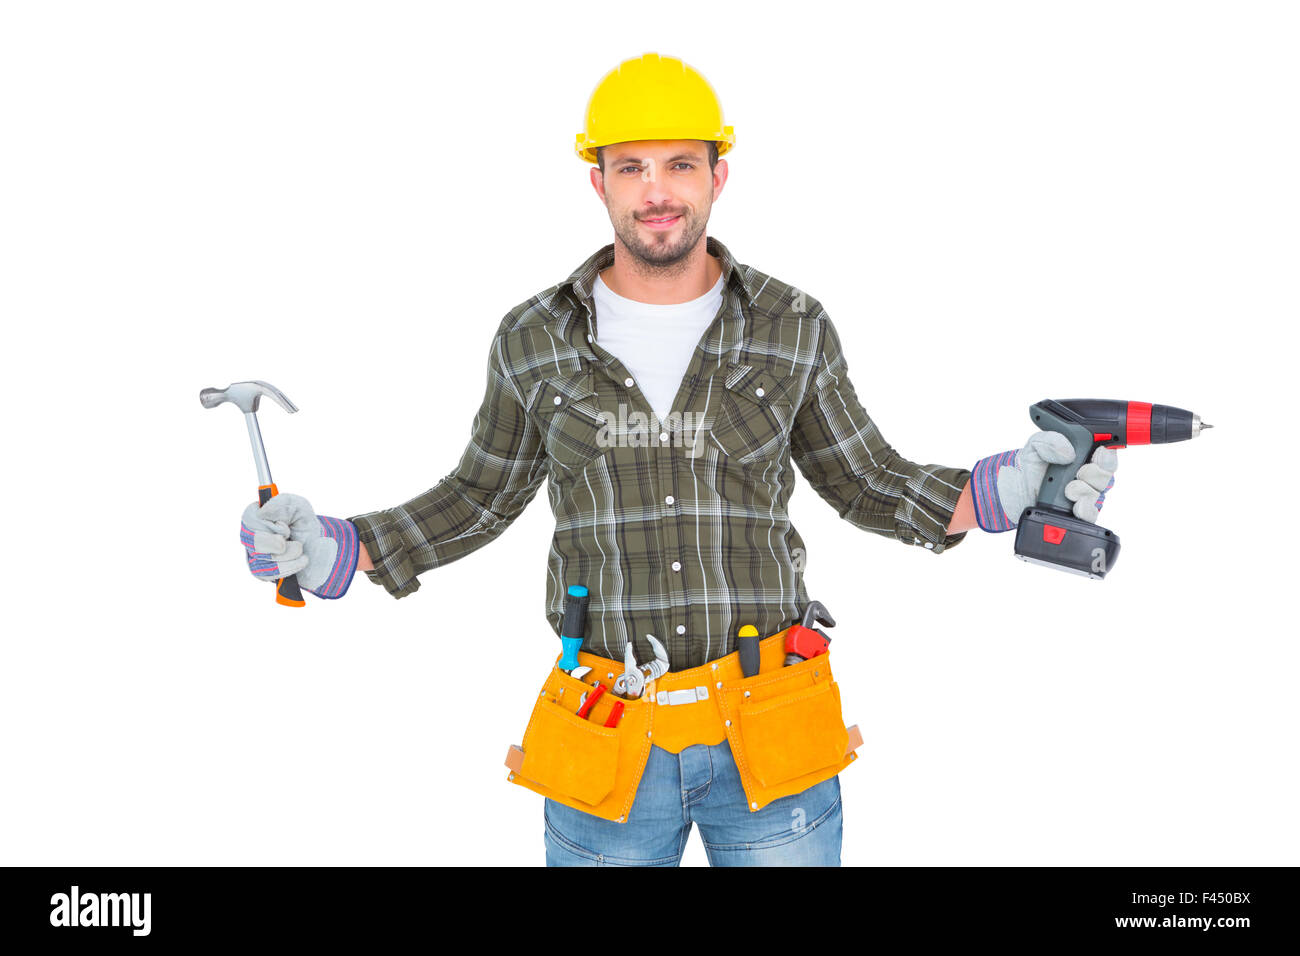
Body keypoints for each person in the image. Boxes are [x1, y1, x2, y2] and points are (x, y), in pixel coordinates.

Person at [238, 53, 1116, 866]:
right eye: (631, 167)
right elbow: (478, 496)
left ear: (718, 175)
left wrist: (1001, 491)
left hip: (771, 724)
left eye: (680, 165)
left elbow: (866, 481)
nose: (657, 192)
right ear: (599, 182)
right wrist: (337, 549)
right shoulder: (534, 338)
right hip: (604, 732)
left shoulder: (791, 325)